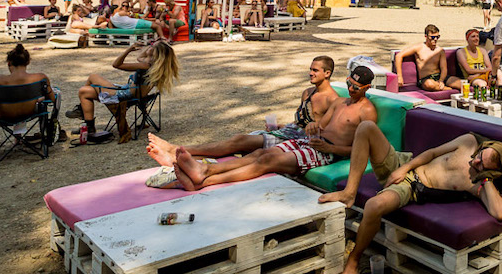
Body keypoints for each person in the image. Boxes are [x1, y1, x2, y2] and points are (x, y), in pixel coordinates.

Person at [316, 121, 502, 274]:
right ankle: (349, 193)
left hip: (411, 187)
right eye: (480, 155)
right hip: (406, 164)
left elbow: (500, 213)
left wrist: (487, 179)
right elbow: (432, 153)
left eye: (482, 165)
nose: (475, 162)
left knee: (373, 206)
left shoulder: (478, 184)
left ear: (491, 172)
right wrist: (403, 169)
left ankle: (354, 260)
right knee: (366, 127)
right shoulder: (469, 142)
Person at [150, 65, 378, 189]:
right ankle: (203, 170)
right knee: (259, 153)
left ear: (367, 87)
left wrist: (330, 150)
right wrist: (312, 128)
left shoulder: (366, 112)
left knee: (266, 161)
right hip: (311, 143)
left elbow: (361, 150)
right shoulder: (339, 102)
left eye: (356, 87)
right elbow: (320, 125)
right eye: (349, 83)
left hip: (328, 154)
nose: (350, 89)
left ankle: (206, 178)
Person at [144, 57, 341, 172]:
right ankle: (179, 152)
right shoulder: (307, 93)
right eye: (310, 69)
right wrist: (281, 126)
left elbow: (323, 132)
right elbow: (300, 121)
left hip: (299, 141)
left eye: (315, 70)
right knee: (239, 140)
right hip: (287, 132)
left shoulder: (332, 100)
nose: (310, 73)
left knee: (241, 141)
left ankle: (178, 153)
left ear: (327, 73)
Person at [68, 41, 180, 144]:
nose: (150, 46)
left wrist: (129, 49)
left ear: (157, 54)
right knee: (84, 91)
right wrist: (149, 49)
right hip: (132, 94)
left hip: (125, 96)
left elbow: (116, 64)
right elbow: (140, 57)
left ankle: (82, 114)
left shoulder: (146, 66)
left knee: (92, 77)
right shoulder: (155, 66)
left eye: (152, 46)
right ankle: (89, 126)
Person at [0, 43, 56, 133]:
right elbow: (52, 99)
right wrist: (39, 98)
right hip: (29, 113)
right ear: (28, 62)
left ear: (9, 63)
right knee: (55, 92)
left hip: (4, 116)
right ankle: (48, 133)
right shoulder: (41, 78)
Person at [394, 25, 448, 93]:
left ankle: (444, 88)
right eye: (432, 37)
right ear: (426, 37)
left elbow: (444, 68)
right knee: (429, 84)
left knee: (460, 83)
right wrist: (399, 76)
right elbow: (399, 56)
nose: (435, 39)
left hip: (439, 77)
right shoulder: (418, 48)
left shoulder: (440, 51)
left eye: (437, 37)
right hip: (425, 79)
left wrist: (441, 80)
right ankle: (450, 90)